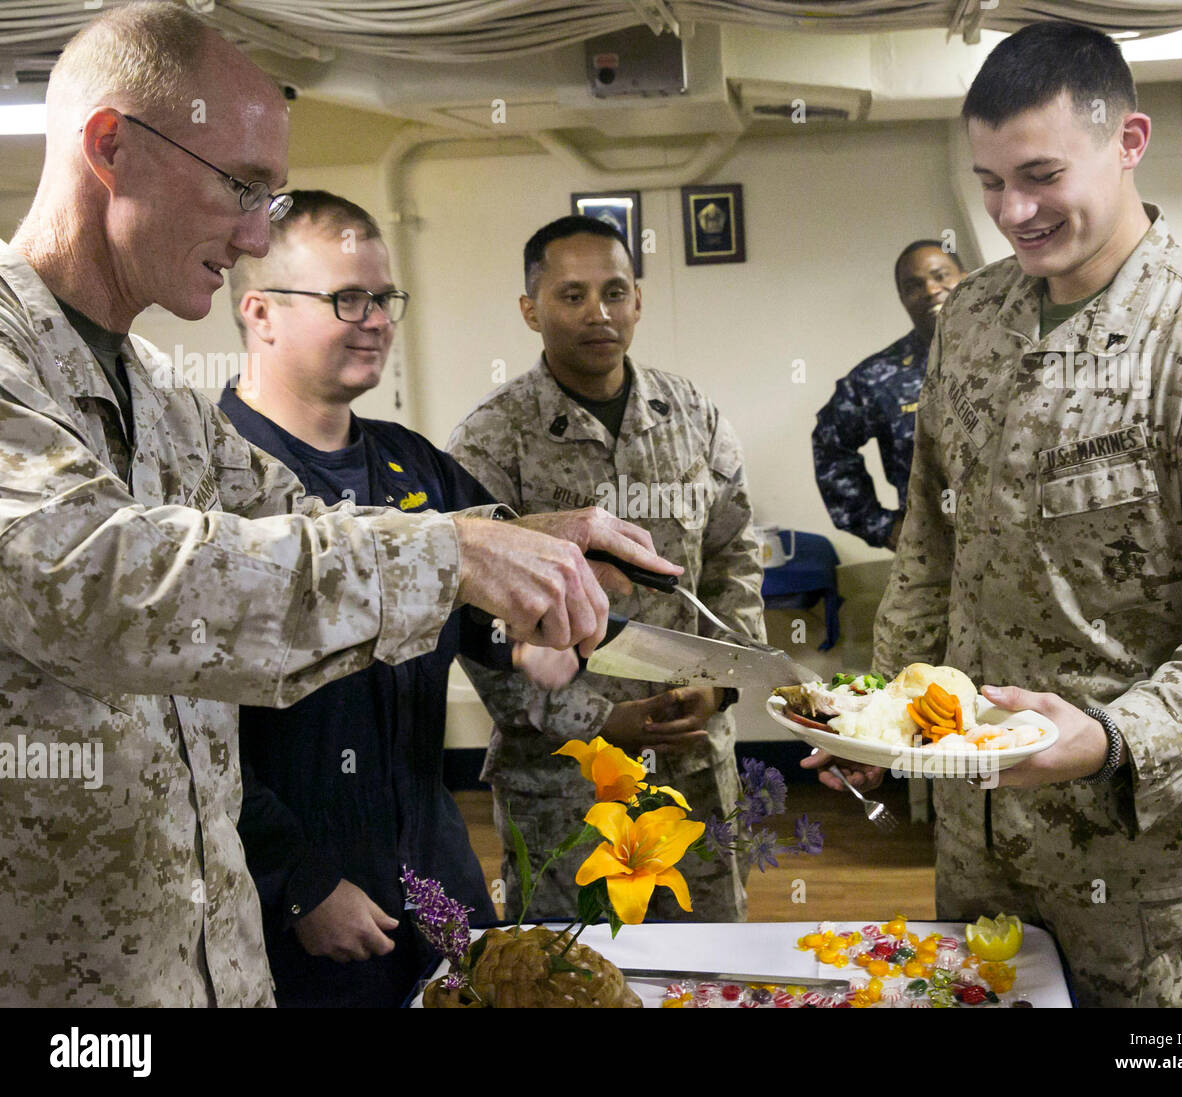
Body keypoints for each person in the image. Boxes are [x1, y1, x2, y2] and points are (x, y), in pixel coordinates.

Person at [0, 2, 674, 1007]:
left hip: (207, 966)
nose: (256, 232)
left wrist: (517, 537)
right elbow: (100, 579)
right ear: (112, 147)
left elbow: (303, 524)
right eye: (242, 187)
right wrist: (451, 556)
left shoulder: (157, 393)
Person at [807, 21, 1182, 1007]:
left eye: (1038, 174)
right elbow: (930, 544)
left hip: (1135, 864)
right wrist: (876, 724)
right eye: (989, 181)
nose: (1012, 212)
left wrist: (1115, 735)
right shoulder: (973, 322)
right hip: (974, 836)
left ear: (1128, 142)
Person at [220, 190, 575, 1006]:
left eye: (384, 298)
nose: (376, 318)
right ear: (261, 312)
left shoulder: (415, 465)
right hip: (292, 886)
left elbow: (485, 600)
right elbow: (182, 722)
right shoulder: (213, 476)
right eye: (348, 297)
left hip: (430, 859)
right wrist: (298, 880)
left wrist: (526, 642)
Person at [448, 215, 766, 923]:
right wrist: (597, 719)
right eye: (572, 295)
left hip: (690, 771)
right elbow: (473, 618)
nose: (599, 313)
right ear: (530, 309)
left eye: (615, 291)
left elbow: (735, 555)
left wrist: (722, 682)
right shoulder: (490, 439)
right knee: (573, 973)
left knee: (707, 964)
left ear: (639, 301)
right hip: (565, 778)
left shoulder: (694, 417)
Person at [813, 242, 965, 549]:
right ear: (903, 299)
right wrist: (881, 526)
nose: (931, 289)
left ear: (966, 277)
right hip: (939, 553)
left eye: (940, 276)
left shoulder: (1012, 349)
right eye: (914, 285)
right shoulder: (878, 376)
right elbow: (829, 446)